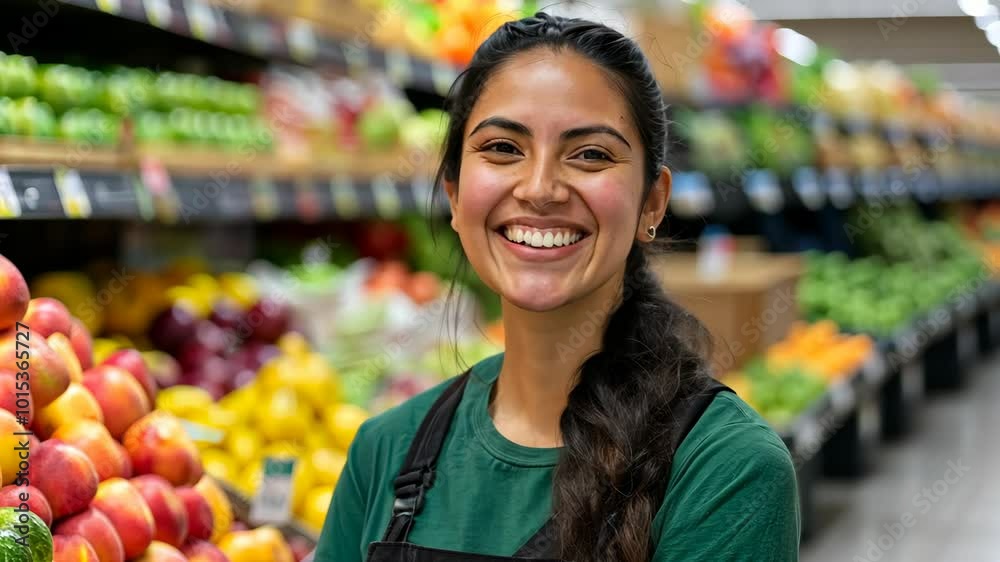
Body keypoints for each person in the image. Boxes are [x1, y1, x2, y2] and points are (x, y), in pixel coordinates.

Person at [313, 12, 800, 562]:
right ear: (454, 194)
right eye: (502, 148)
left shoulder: (724, 470)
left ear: (652, 202)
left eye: (590, 154)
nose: (540, 188)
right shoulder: (385, 451)